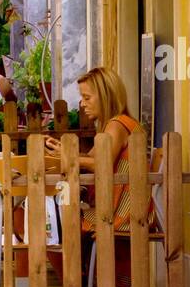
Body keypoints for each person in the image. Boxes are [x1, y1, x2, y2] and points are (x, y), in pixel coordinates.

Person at [43, 66, 144, 233]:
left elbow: (100, 165)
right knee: (60, 215)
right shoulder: (115, 124)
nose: (82, 104)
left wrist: (68, 158)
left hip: (124, 214)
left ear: (106, 97)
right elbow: (89, 157)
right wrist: (64, 150)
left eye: (87, 98)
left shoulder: (117, 125)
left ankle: (68, 259)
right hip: (124, 209)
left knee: (58, 218)